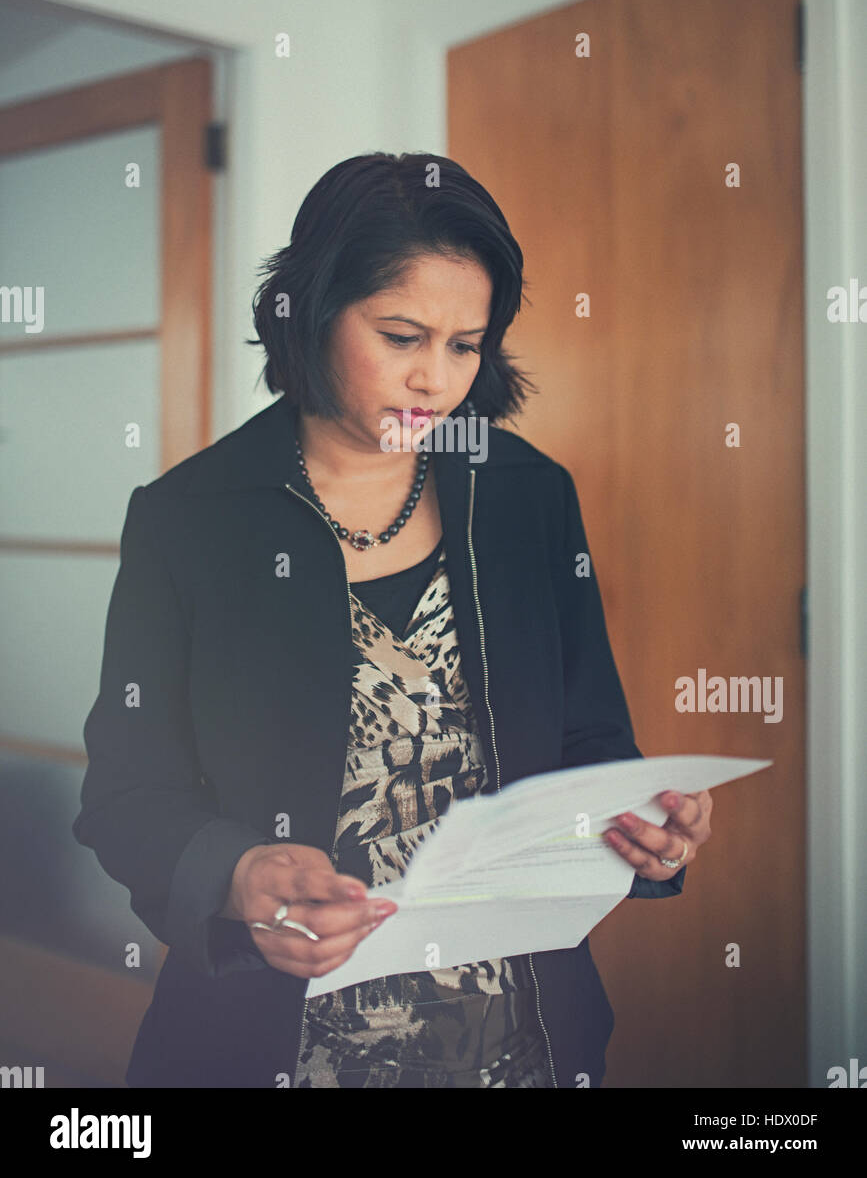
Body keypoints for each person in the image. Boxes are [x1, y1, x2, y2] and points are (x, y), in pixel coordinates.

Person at [73, 151, 712, 1088]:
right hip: (271, 1037)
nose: (435, 382)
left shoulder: (527, 495)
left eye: (465, 346)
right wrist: (238, 874)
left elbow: (587, 740)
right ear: (310, 312)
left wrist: (636, 820)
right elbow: (126, 793)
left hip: (520, 1029)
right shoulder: (190, 518)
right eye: (401, 336)